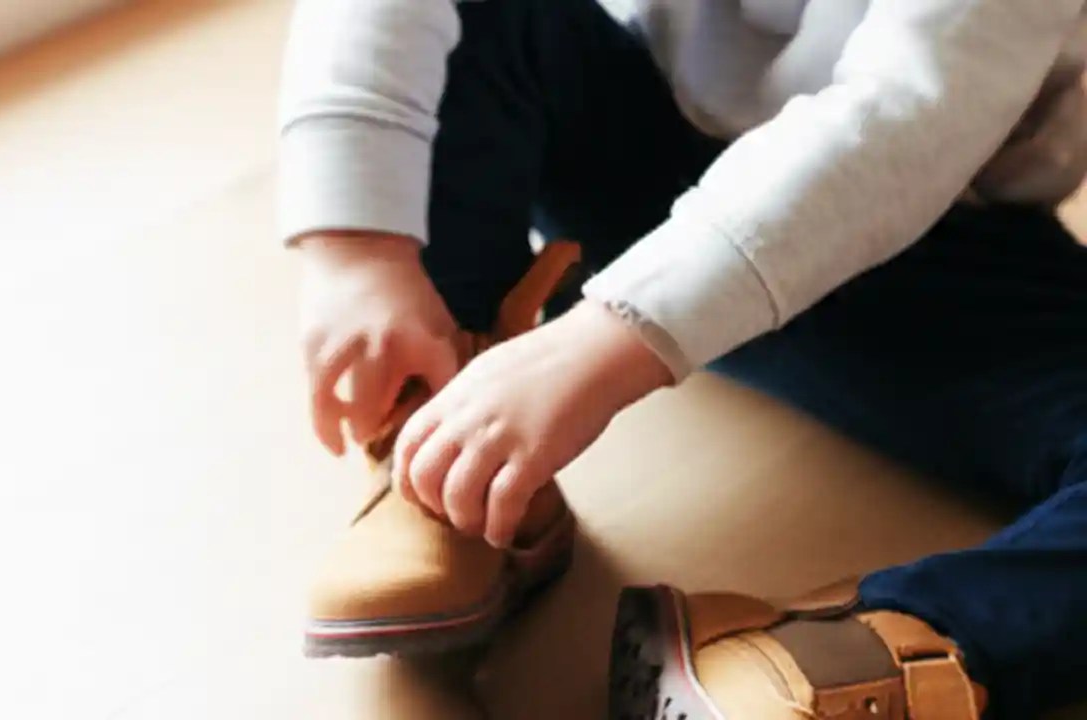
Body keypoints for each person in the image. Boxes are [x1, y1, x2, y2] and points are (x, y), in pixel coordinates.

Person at [280, 0, 1087, 717]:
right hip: (634, 124)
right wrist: (358, 251)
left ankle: (871, 660)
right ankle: (454, 454)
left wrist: (608, 341)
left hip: (923, 236)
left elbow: (910, 113)